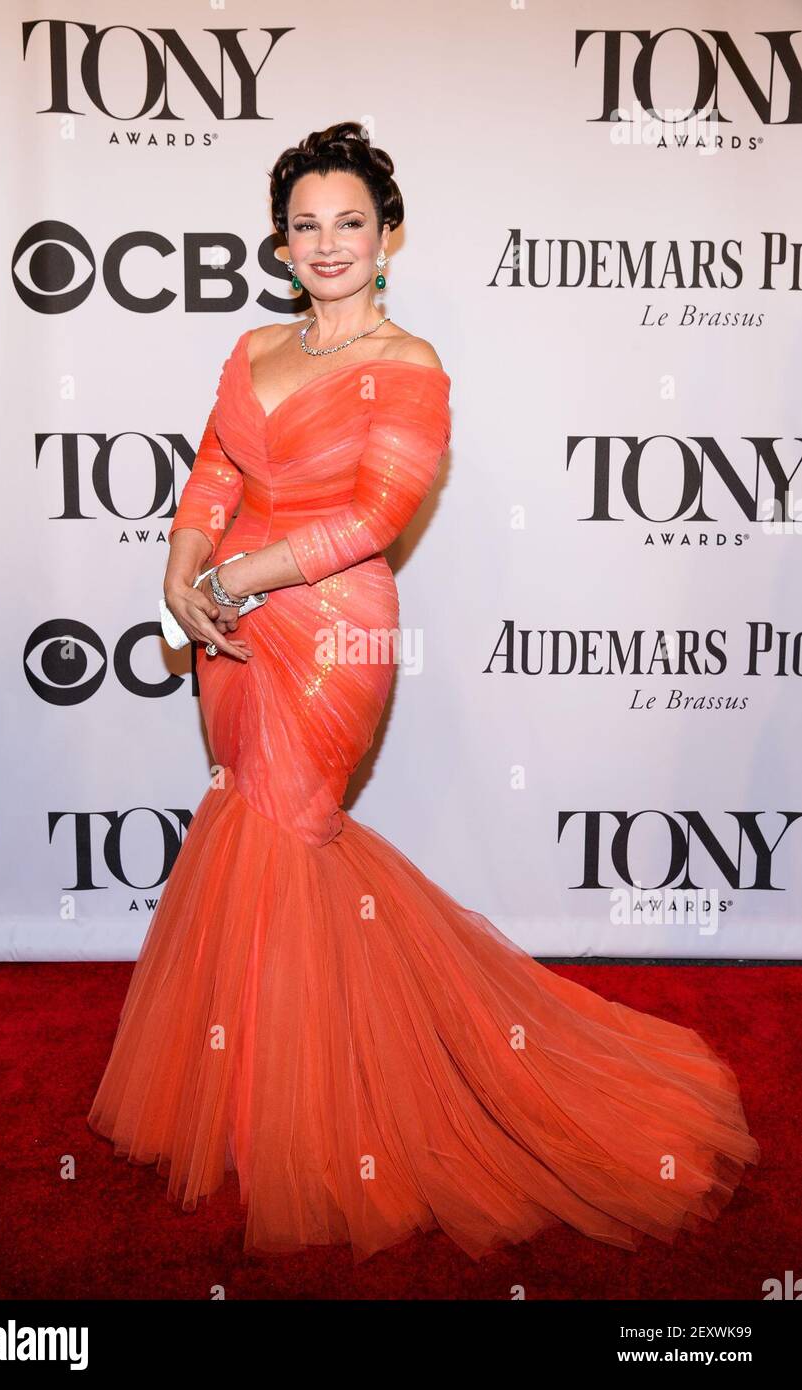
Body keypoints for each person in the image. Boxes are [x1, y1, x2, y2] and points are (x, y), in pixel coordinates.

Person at [87, 121, 760, 1264]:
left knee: (292, 830)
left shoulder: (410, 366)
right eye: (306, 224)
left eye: (349, 220)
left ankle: (324, 1115)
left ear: (388, 235)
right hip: (224, 625)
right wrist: (177, 560)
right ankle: (264, 1093)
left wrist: (238, 573)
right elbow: (210, 470)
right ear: (280, 243)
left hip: (329, 627)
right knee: (251, 828)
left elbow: (375, 521)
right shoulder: (250, 348)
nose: (327, 241)